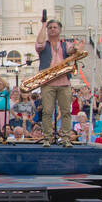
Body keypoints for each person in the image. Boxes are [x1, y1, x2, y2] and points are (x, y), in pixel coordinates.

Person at [31, 17, 81, 147]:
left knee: (66, 112)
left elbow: (71, 50)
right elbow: (39, 43)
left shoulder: (65, 44)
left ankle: (65, 138)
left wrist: (77, 48)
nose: (52, 29)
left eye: (55, 27)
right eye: (50, 28)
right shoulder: (44, 44)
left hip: (64, 82)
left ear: (60, 30)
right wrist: (43, 25)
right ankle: (47, 138)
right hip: (48, 82)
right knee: (47, 111)